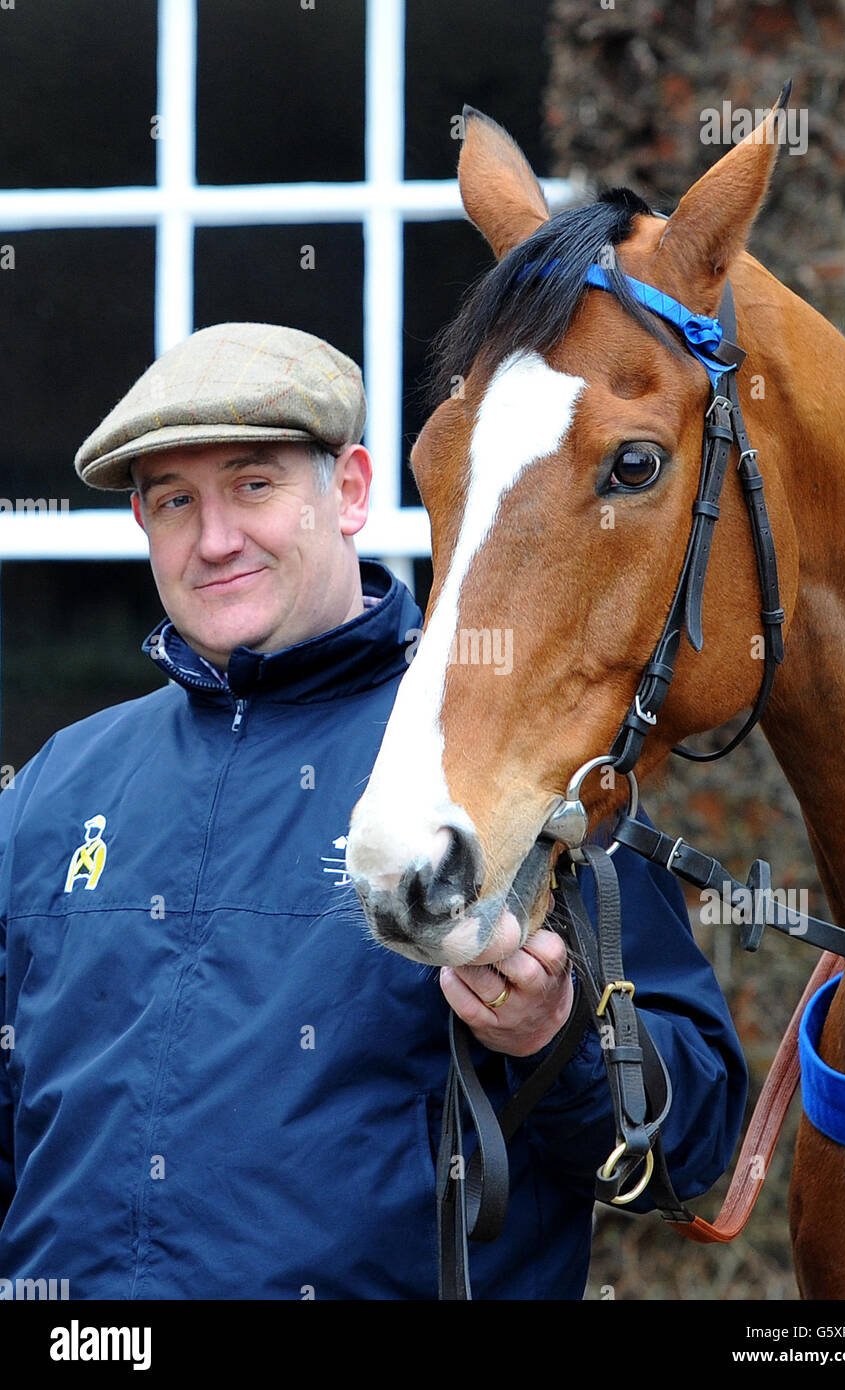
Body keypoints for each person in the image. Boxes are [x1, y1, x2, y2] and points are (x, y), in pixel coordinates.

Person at [0, 322, 747, 1300]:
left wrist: (553, 1032)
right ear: (142, 525)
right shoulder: (61, 785)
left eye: (252, 484)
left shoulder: (502, 749)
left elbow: (691, 1140)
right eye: (175, 500)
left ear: (349, 491)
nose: (214, 537)